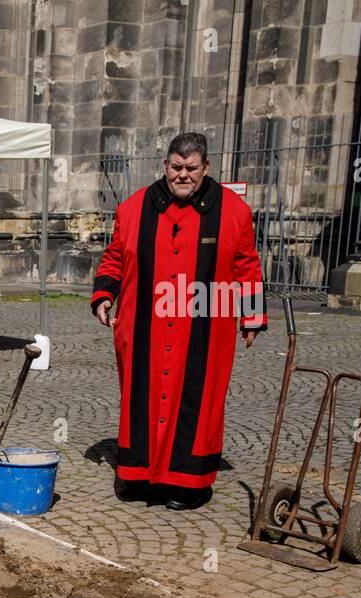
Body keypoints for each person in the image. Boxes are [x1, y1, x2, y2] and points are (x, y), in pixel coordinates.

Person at [91, 132, 267, 511]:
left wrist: (251, 316)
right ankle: (136, 475)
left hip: (206, 326)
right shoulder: (134, 208)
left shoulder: (234, 212)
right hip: (142, 327)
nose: (182, 175)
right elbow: (114, 258)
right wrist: (104, 294)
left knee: (197, 402)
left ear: (205, 167)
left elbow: (247, 266)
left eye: (191, 168)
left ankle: (188, 484)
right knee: (140, 398)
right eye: (175, 167)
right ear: (165, 166)